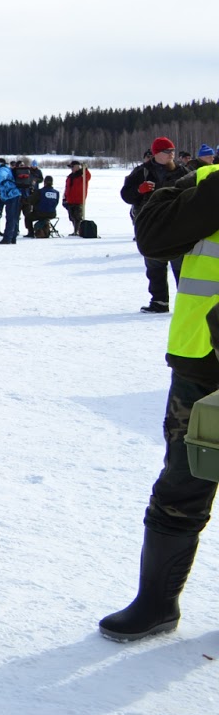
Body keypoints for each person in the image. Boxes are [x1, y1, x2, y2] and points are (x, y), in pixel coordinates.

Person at [98, 158, 219, 652]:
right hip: (202, 367)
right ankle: (156, 603)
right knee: (183, 482)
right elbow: (152, 233)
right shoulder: (209, 182)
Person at [122, 136, 190, 313]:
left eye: (173, 151)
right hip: (150, 226)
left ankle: (186, 302)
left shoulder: (182, 172)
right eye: (167, 151)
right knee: (154, 265)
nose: (171, 155)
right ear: (156, 153)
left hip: (175, 225)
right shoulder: (141, 172)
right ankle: (159, 301)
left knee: (181, 266)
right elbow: (126, 195)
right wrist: (139, 190)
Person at [0, 157, 22, 245]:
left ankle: (8, 238)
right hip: (10, 196)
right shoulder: (2, 169)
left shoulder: (3, 170)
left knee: (11, 217)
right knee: (13, 217)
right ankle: (12, 237)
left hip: (12, 195)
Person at [64, 159, 92, 234]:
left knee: (78, 217)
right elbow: (67, 188)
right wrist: (65, 197)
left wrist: (85, 169)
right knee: (72, 217)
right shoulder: (70, 177)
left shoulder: (82, 175)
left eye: (72, 167)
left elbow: (88, 177)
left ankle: (77, 231)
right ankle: (76, 230)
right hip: (70, 200)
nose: (71, 168)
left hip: (79, 200)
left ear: (77, 167)